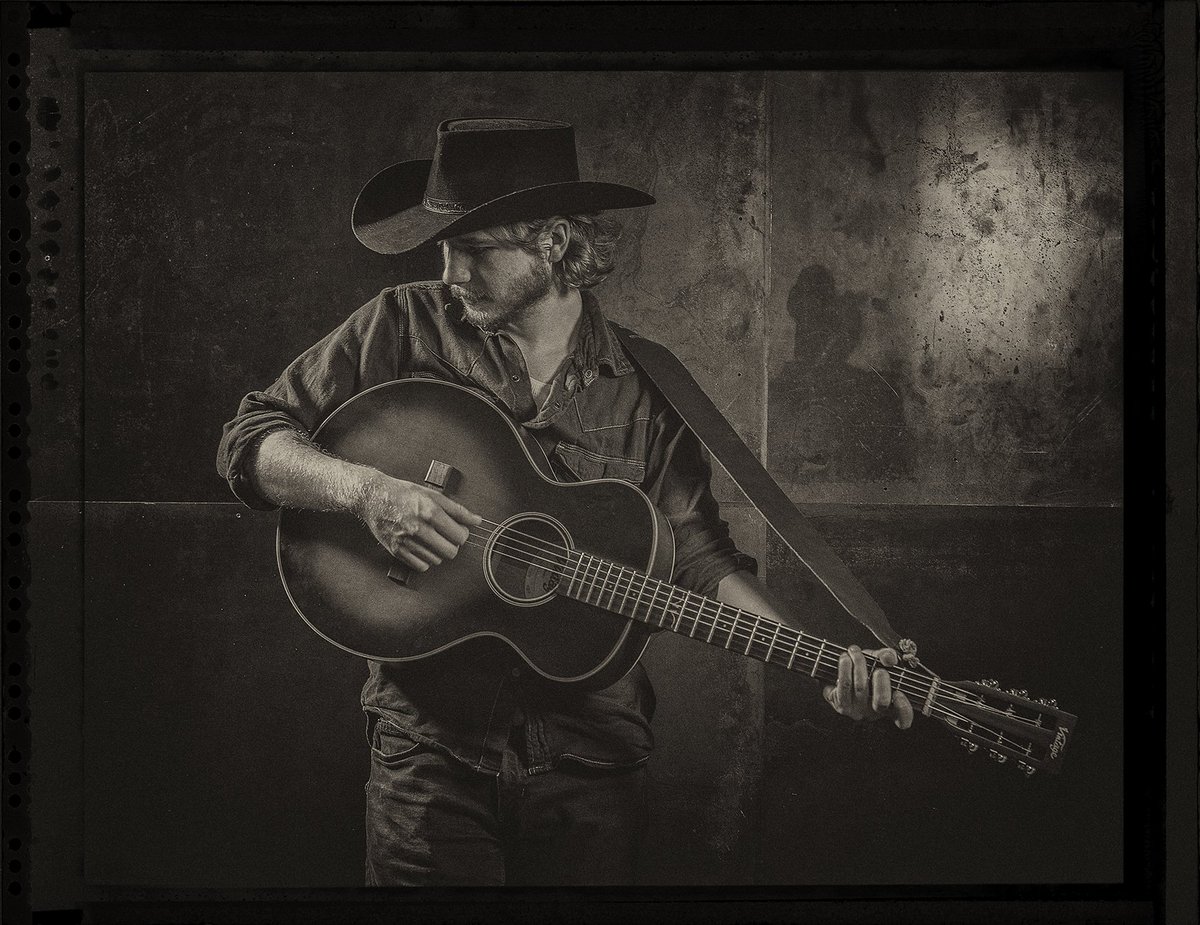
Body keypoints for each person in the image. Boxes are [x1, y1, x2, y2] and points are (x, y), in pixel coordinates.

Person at [216, 118, 913, 887]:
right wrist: (366, 492)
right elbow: (250, 441)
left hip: (594, 761)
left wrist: (819, 660)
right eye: (445, 249)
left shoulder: (648, 387)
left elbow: (698, 557)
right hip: (427, 754)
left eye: (474, 250)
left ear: (553, 242)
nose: (450, 272)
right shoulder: (399, 324)